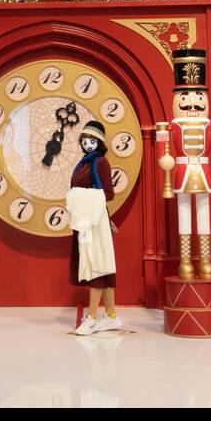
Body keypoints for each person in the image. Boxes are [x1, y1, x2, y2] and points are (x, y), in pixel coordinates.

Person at [65, 121, 121, 335]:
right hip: (86, 220)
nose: (88, 144)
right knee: (99, 264)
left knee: (96, 265)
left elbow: (108, 193)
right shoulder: (84, 163)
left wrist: (78, 197)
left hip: (93, 222)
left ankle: (91, 318)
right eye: (85, 140)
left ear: (99, 142)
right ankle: (111, 315)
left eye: (92, 140)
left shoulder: (100, 163)